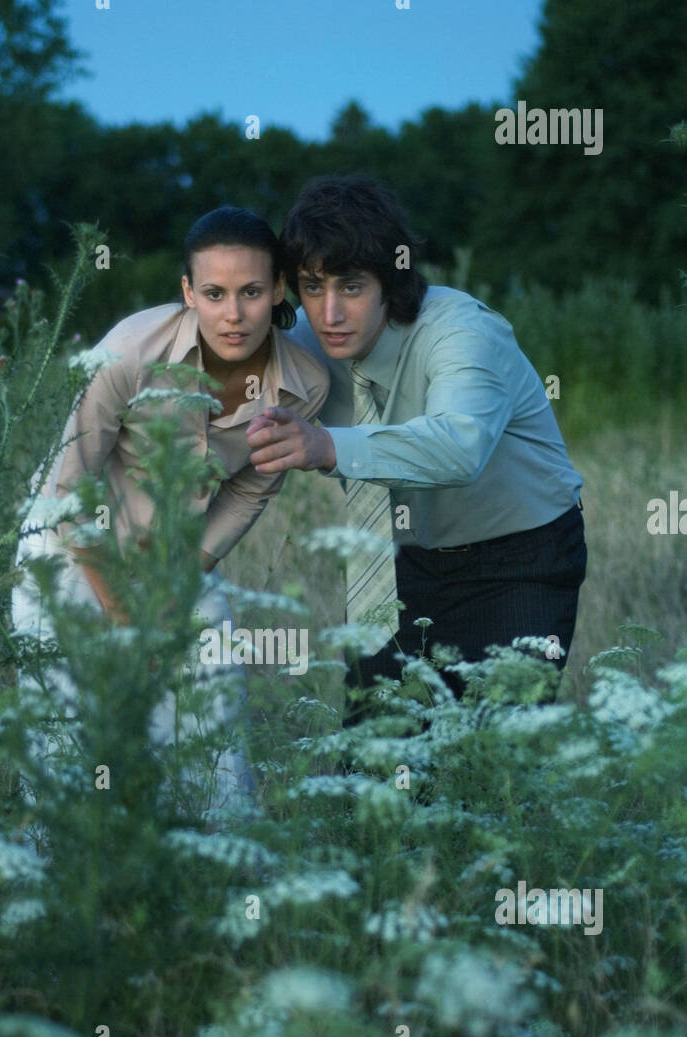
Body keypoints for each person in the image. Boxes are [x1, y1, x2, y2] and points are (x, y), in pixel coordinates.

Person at [12, 205, 330, 816]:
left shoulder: (305, 382)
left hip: (174, 560)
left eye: (251, 292)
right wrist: (128, 615)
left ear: (279, 290)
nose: (233, 314)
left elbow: (249, 490)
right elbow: (69, 491)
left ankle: (222, 877)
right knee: (65, 735)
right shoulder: (130, 351)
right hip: (67, 546)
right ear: (188, 292)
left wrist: (176, 585)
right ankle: (58, 879)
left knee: (210, 715)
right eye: (213, 293)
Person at [245, 175, 587, 722]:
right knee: (373, 765)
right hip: (399, 562)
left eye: (351, 287)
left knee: (492, 766)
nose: (329, 314)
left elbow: (457, 447)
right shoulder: (303, 345)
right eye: (312, 287)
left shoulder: (462, 331)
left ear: (391, 281)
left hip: (520, 560)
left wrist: (328, 445)